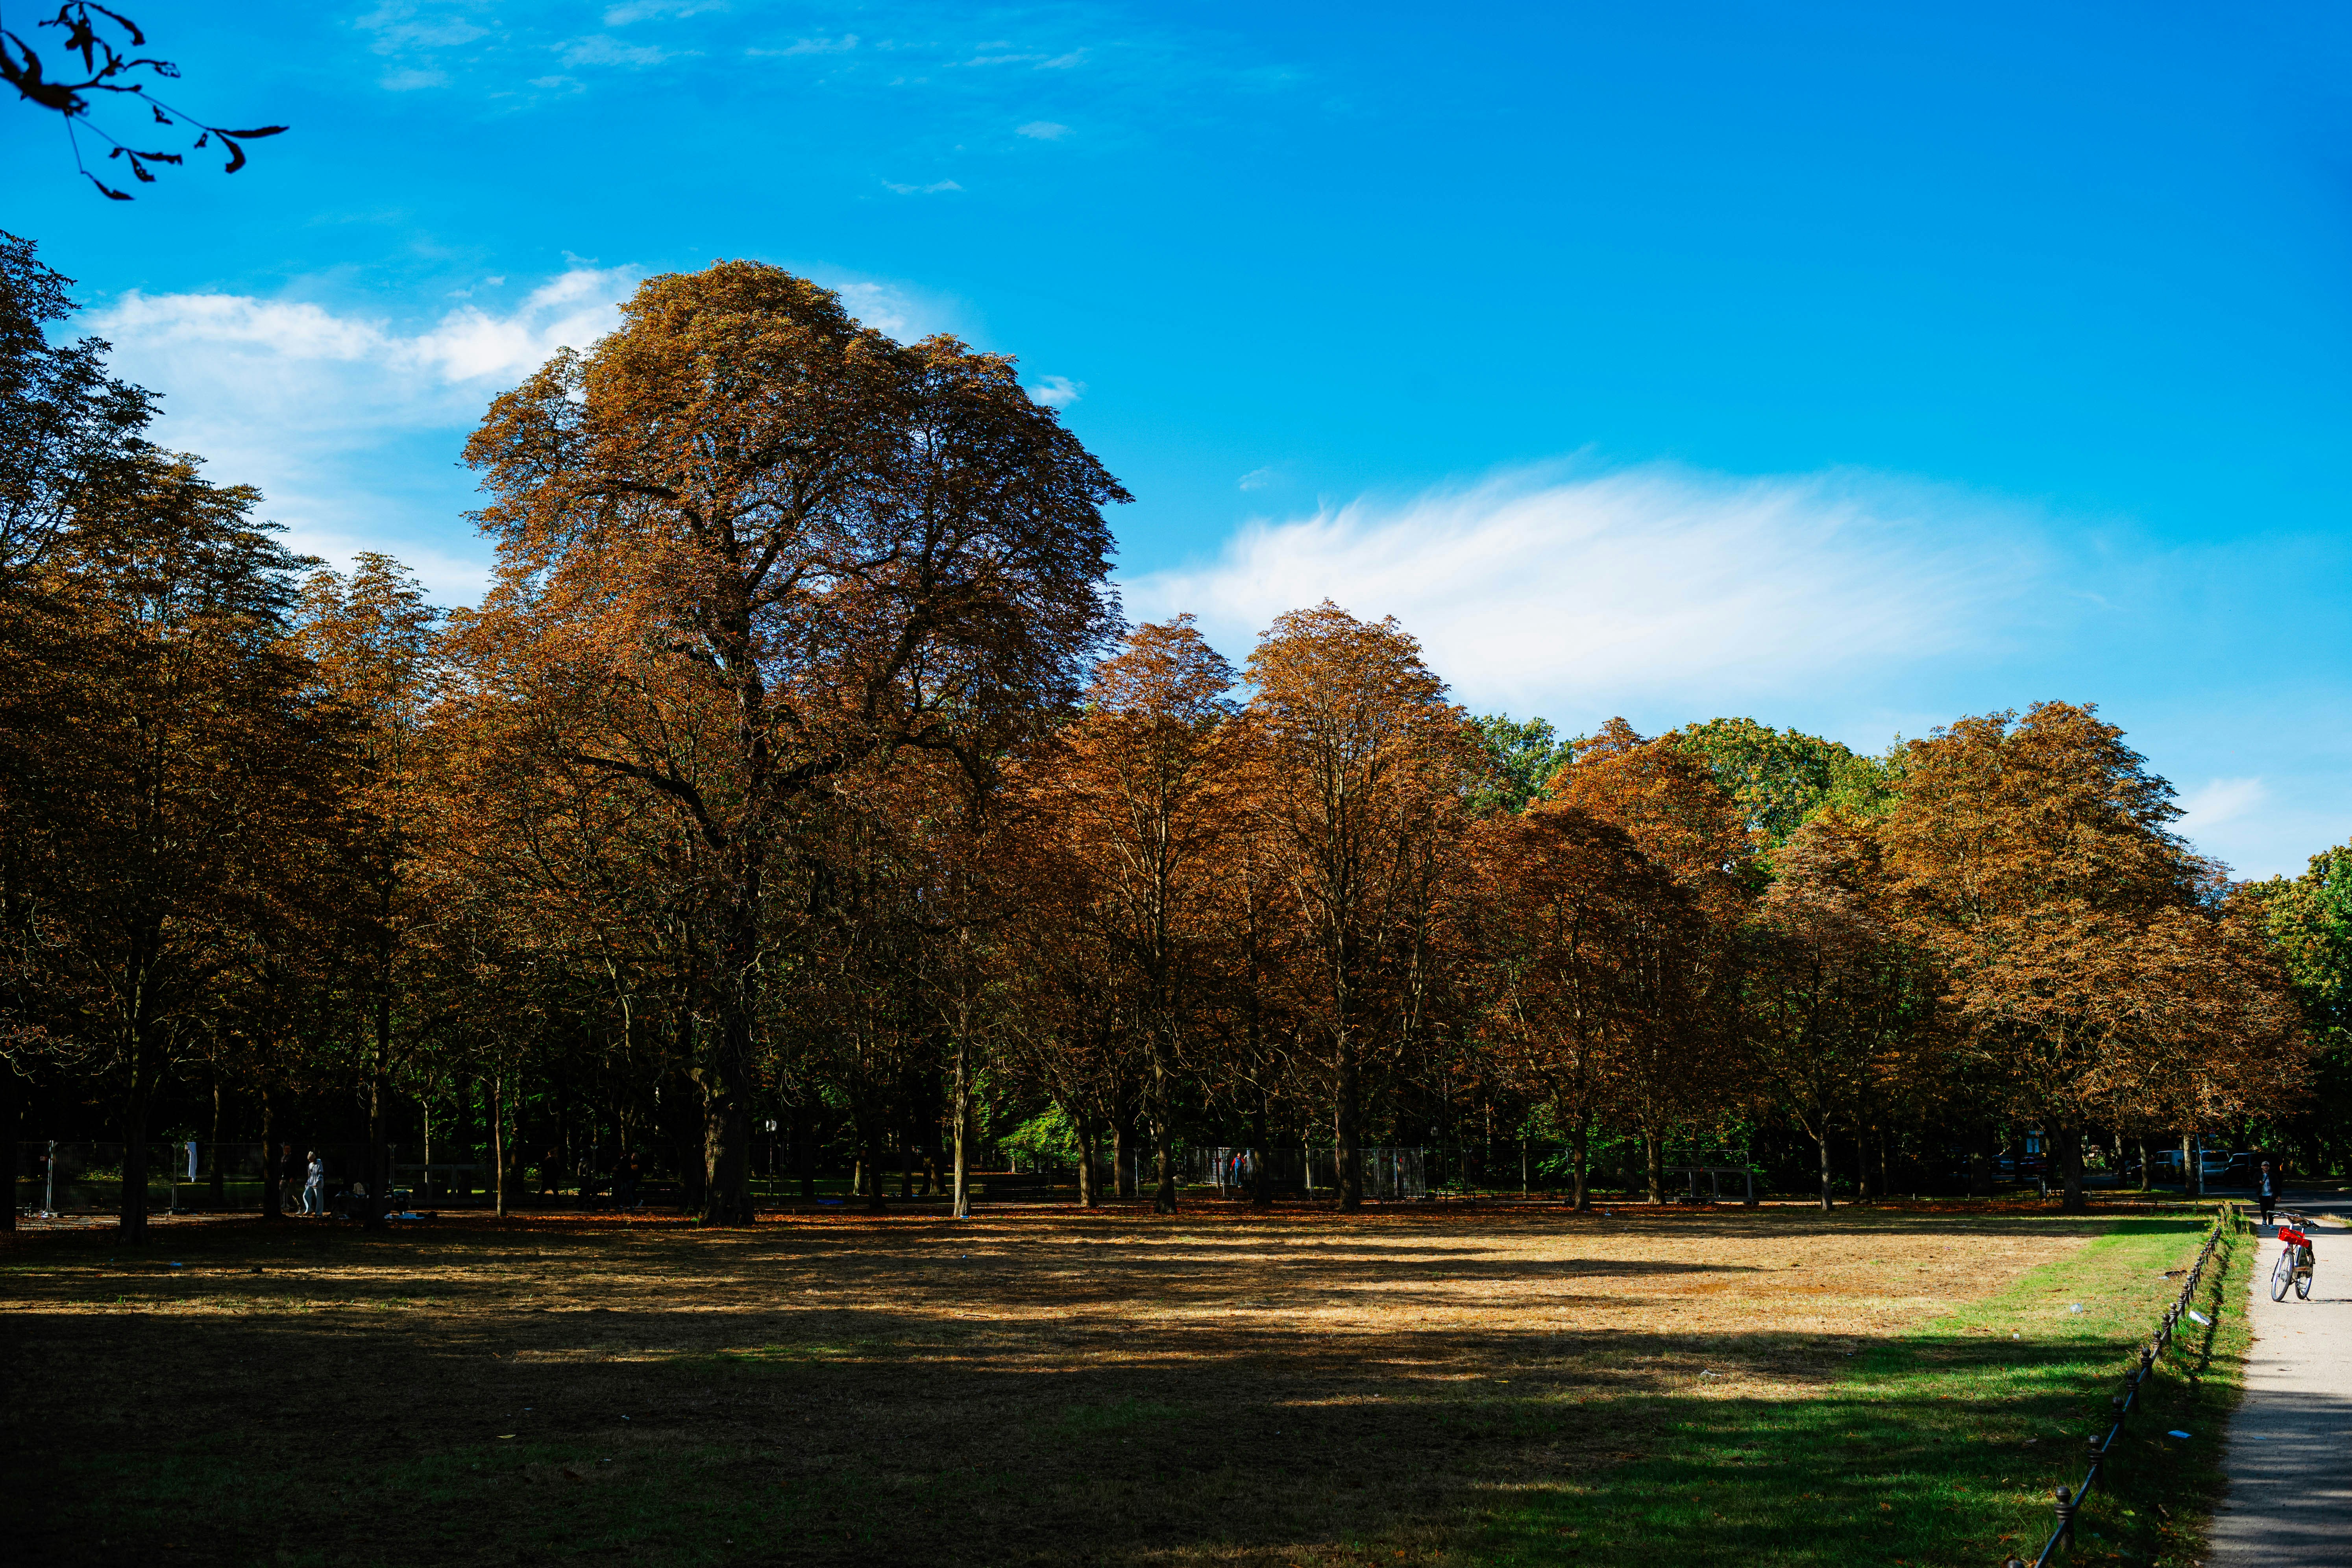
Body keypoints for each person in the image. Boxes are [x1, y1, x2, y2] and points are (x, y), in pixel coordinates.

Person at [303, 1152, 325, 1217]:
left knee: (319, 1198)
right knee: (305, 1195)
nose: (310, 1160)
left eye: (311, 1159)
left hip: (318, 1184)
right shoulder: (310, 1165)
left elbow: (321, 1174)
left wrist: (317, 1182)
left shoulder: (319, 1164)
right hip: (311, 1183)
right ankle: (309, 1209)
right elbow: (310, 1175)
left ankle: (319, 1213)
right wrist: (308, 1182)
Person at [2258, 1158, 2280, 1226]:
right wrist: (2259, 1183)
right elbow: (2253, 1183)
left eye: (2267, 1166)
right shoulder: (2258, 1174)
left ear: (2269, 1167)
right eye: (2265, 1166)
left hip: (2271, 1195)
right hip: (2262, 1195)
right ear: (2262, 1167)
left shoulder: (2273, 1175)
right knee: (2263, 1209)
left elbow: (2277, 1185)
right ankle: (2264, 1219)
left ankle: (2271, 1224)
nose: (2266, 1167)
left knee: (2271, 1210)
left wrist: (2279, 1195)